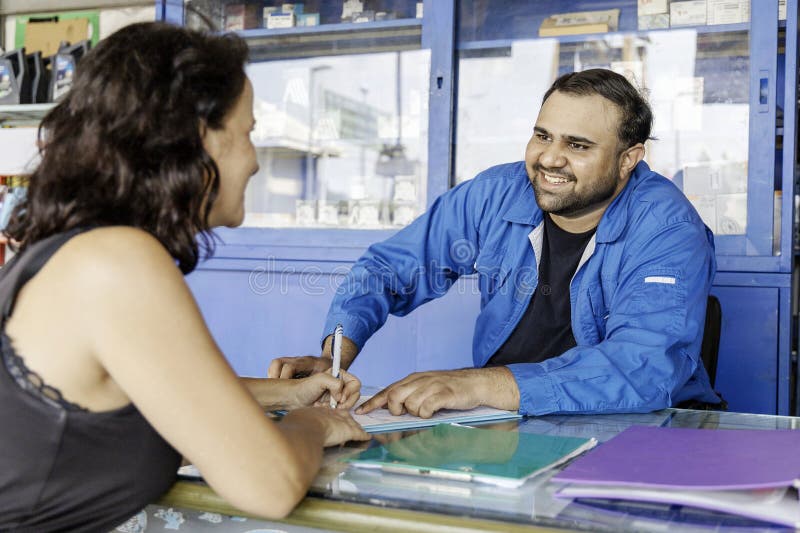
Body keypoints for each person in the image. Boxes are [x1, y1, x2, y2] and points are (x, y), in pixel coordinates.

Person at [0, 22, 368, 532]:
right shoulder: (116, 264)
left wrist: (286, 395)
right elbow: (270, 483)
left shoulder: (75, 252)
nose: (257, 162)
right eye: (247, 133)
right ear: (195, 138)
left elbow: (153, 390)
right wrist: (315, 424)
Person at [269, 68, 722, 418]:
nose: (549, 158)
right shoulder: (496, 194)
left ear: (628, 159)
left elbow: (643, 368)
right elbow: (389, 268)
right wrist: (333, 356)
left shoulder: (667, 227)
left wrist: (479, 385)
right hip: (506, 420)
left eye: (578, 146)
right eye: (542, 135)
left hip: (639, 426)